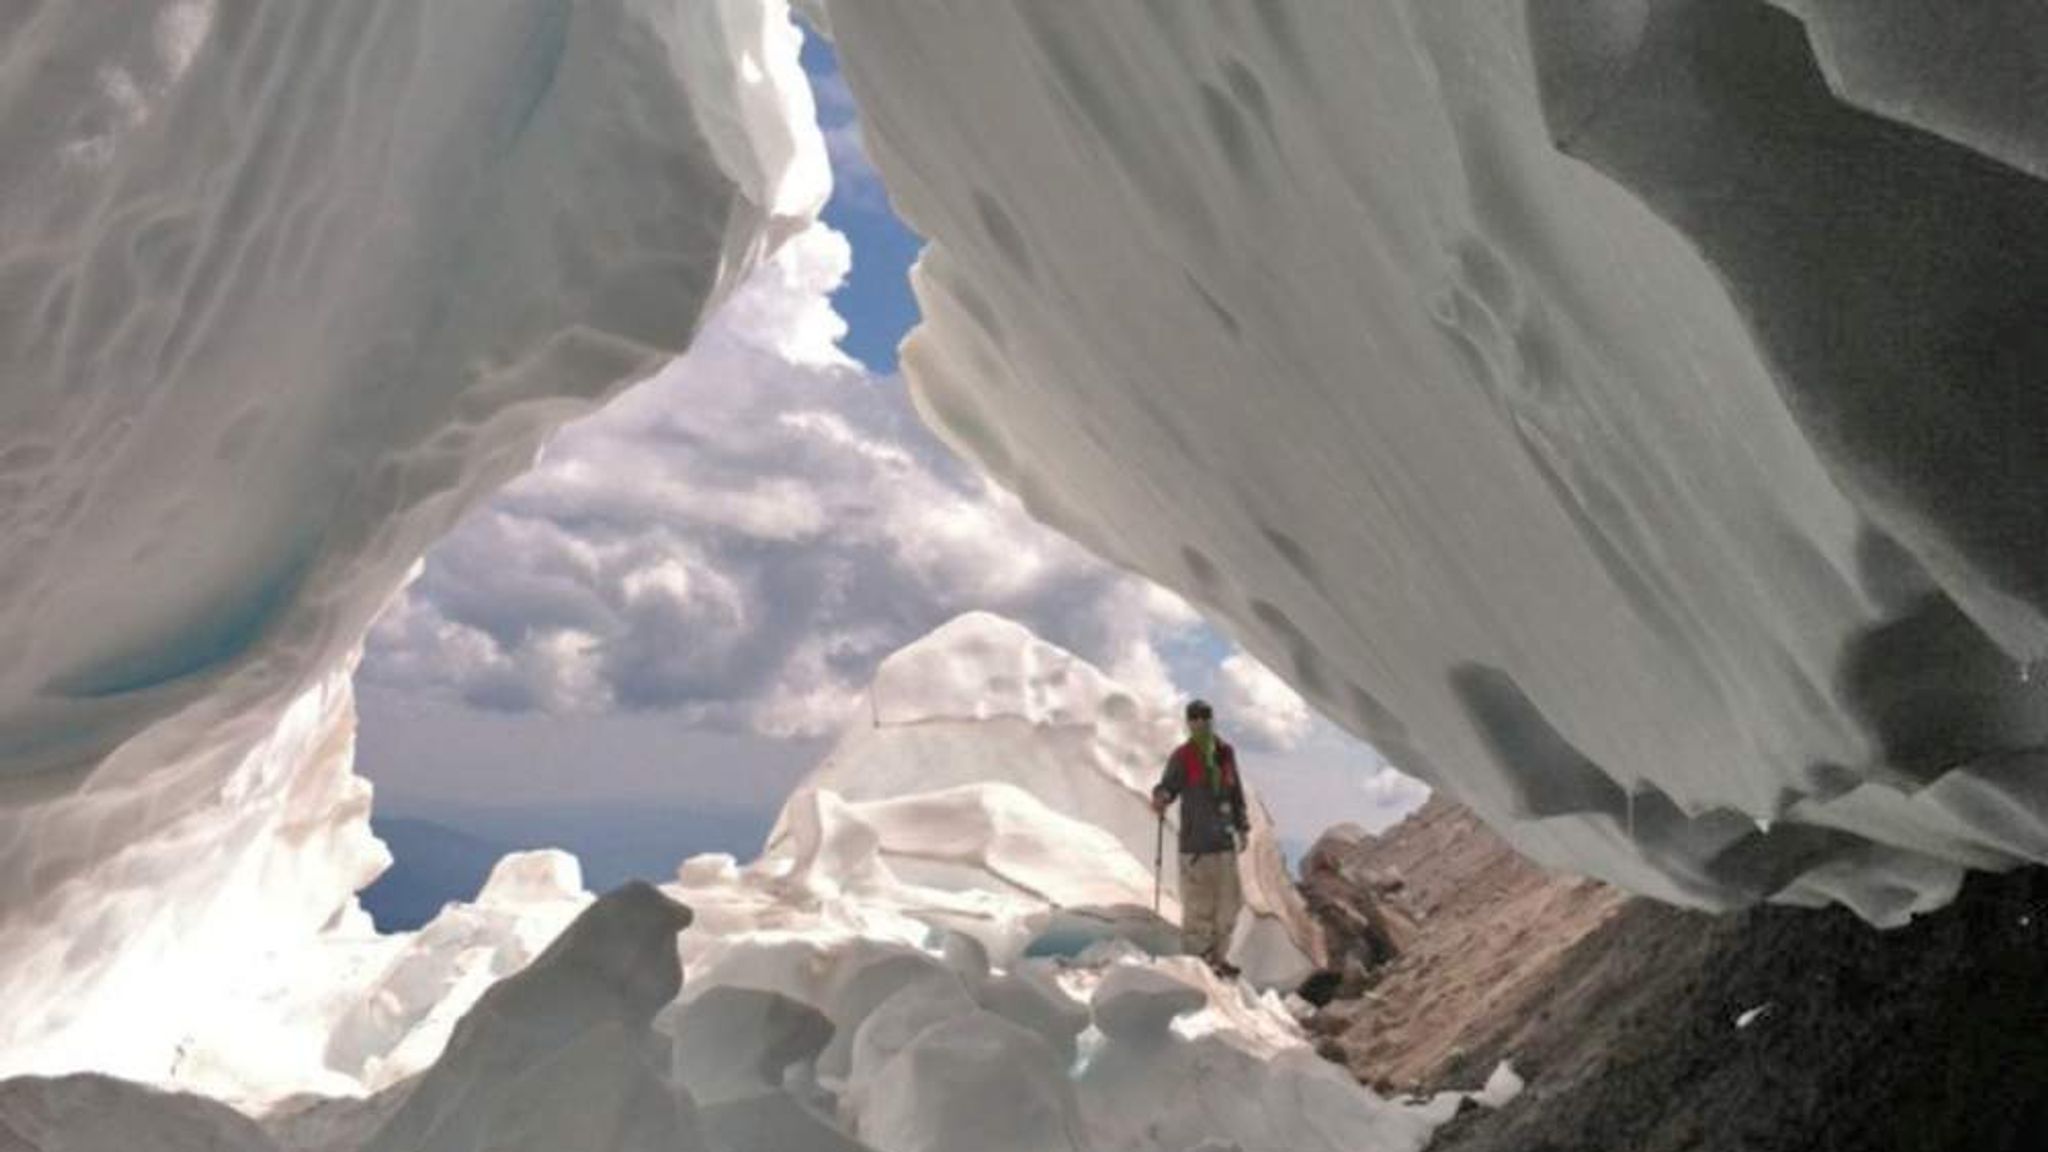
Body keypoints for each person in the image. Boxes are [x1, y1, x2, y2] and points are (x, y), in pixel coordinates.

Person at [1151, 698, 1251, 978]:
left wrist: (1242, 826)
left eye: (1205, 717)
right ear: (1188, 722)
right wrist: (1161, 796)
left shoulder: (1225, 753)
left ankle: (1218, 957)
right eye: (1194, 718)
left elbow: (1235, 793)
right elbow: (1168, 786)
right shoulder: (1184, 756)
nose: (1200, 722)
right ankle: (1199, 961)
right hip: (1195, 847)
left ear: (1211, 719)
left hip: (1223, 844)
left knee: (1229, 904)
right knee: (1199, 907)